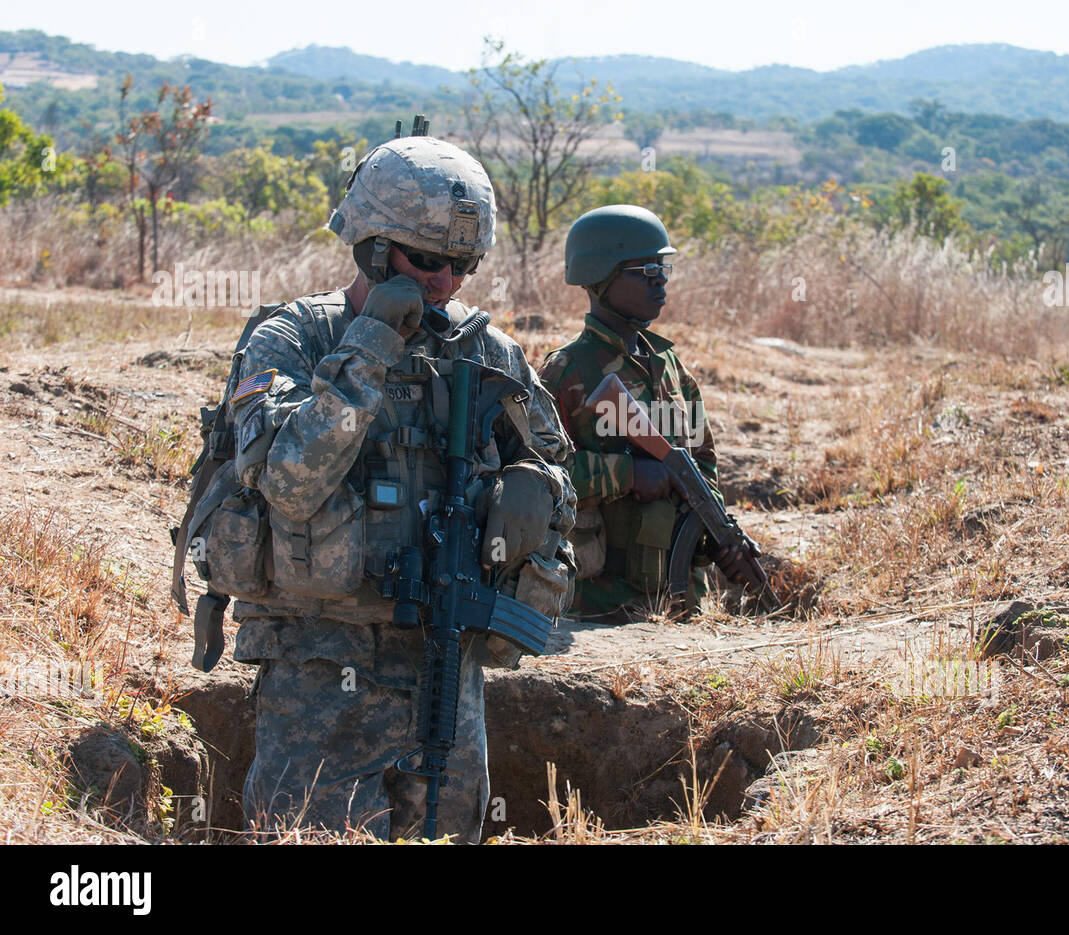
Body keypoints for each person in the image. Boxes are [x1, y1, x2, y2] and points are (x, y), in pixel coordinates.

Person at [222, 133, 576, 842]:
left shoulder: (486, 353)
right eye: (427, 260)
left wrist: (527, 501)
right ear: (372, 246)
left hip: (447, 670)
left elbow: (558, 482)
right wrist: (372, 345)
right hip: (319, 678)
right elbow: (289, 480)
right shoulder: (291, 339)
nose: (444, 282)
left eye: (462, 264)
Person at [539, 204, 749, 623]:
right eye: (646, 272)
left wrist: (716, 536)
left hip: (680, 605)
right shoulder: (566, 372)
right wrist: (629, 475)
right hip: (598, 606)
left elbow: (702, 463)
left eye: (663, 270)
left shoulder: (672, 368)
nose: (661, 285)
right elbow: (540, 478)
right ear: (601, 276)